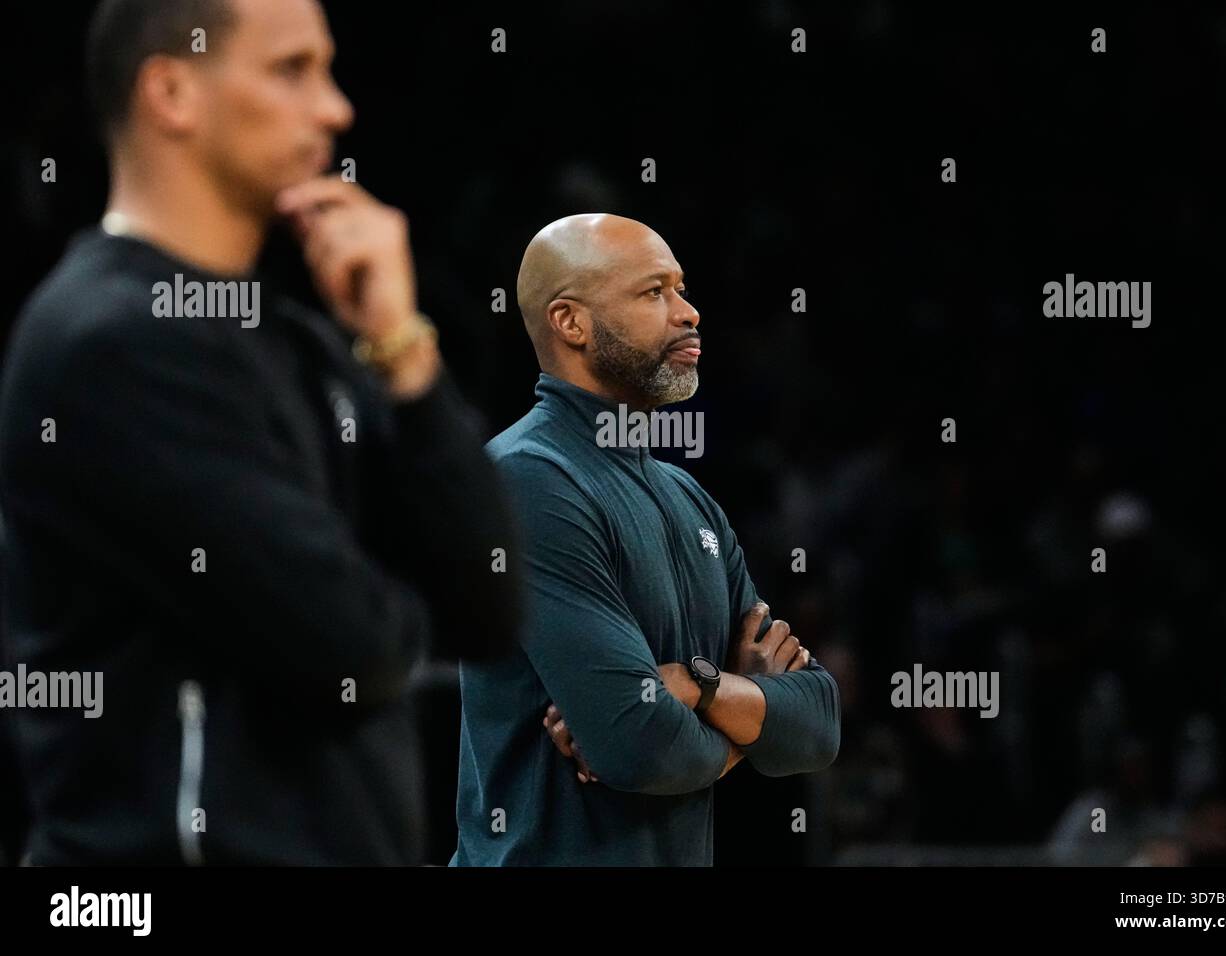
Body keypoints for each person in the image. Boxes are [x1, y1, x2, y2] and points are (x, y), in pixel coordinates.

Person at [0, 0, 520, 865]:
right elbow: (356, 643)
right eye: (293, 69)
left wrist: (404, 355)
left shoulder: (304, 340)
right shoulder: (113, 341)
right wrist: (396, 597)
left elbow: (489, 610)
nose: (335, 109)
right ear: (172, 91)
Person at [452, 214, 840, 865]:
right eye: (654, 292)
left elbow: (818, 727)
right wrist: (746, 715)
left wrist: (696, 686)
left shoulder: (691, 499)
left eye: (682, 289)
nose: (689, 313)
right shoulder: (526, 477)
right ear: (570, 322)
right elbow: (639, 745)